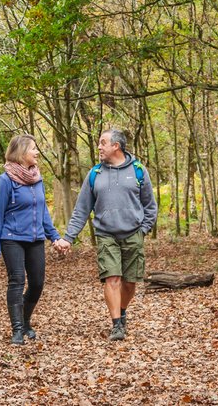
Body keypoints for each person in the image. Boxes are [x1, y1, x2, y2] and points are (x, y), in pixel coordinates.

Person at [53, 129, 157, 341]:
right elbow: (81, 209)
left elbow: (150, 206)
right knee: (112, 278)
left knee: (130, 283)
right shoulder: (95, 174)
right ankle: (117, 325)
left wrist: (143, 230)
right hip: (105, 234)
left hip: (133, 234)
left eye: (103, 143)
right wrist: (68, 238)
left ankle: (122, 310)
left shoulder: (138, 170)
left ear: (116, 146)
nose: (99, 147)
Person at [0, 134, 63, 345]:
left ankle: (26, 320)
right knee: (17, 281)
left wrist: (54, 237)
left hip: (36, 238)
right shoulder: (5, 180)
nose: (37, 152)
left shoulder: (37, 179)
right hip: (11, 238)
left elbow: (43, 213)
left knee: (37, 283)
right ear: (21, 153)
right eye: (33, 148)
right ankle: (18, 330)